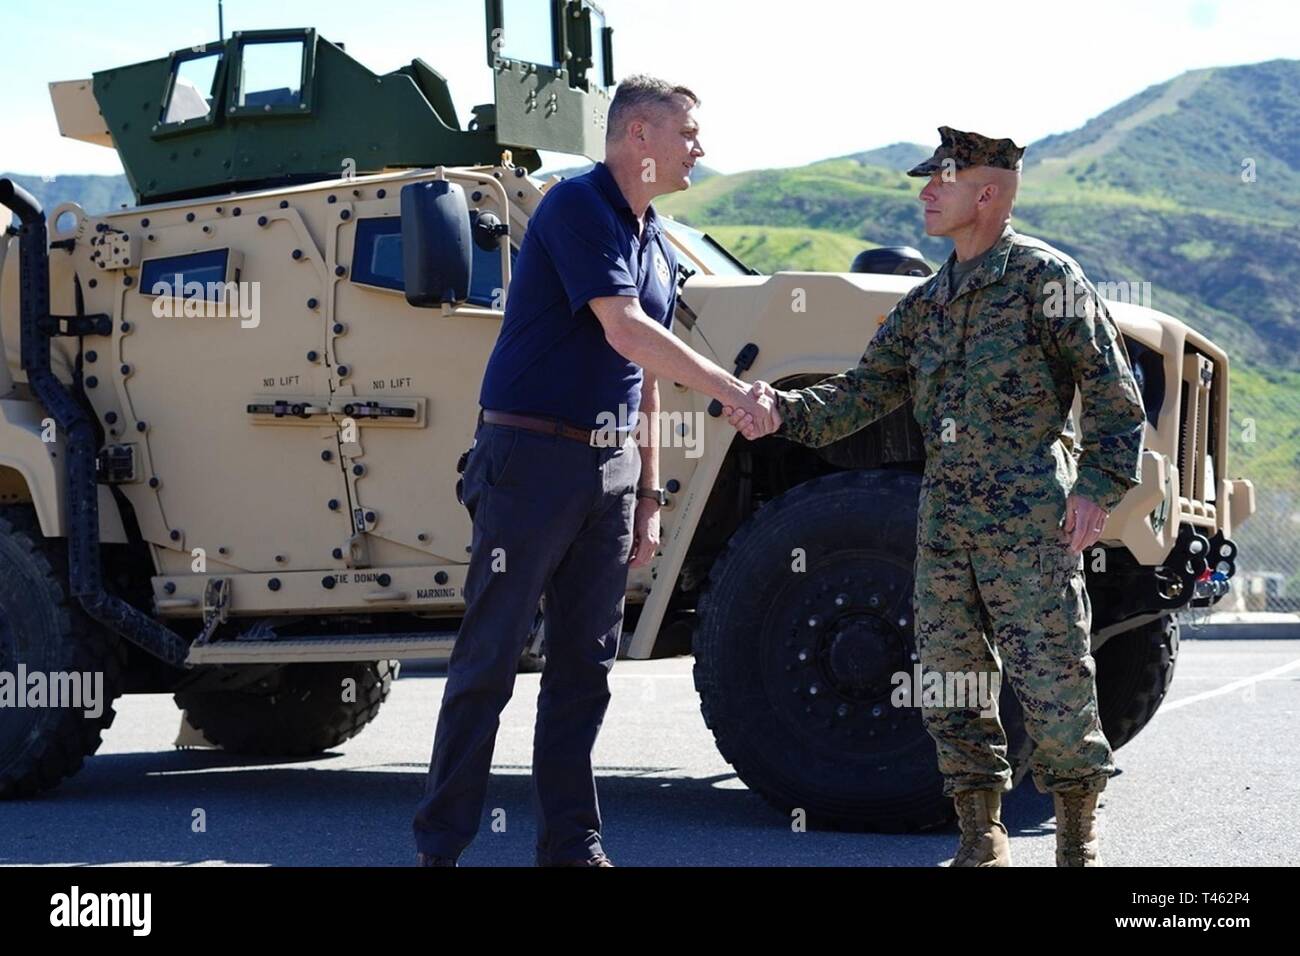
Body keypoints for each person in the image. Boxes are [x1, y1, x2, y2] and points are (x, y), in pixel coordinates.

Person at [727, 127, 1146, 867]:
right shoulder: (927, 303)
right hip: (944, 521)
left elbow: (1114, 398)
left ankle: (1079, 843)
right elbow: (864, 393)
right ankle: (979, 840)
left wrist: (1096, 490)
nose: (924, 192)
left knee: (1053, 684)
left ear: (986, 194)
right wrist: (781, 412)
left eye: (941, 181)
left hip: (1030, 520)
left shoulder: (1044, 278)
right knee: (952, 685)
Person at [413, 75, 773, 867]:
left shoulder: (654, 237)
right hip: (530, 460)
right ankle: (440, 849)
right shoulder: (577, 207)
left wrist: (646, 494)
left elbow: (640, 379)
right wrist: (730, 391)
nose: (700, 150)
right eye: (688, 133)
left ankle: (572, 848)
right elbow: (626, 331)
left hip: (607, 473)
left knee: (585, 670)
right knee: (490, 663)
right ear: (638, 136)